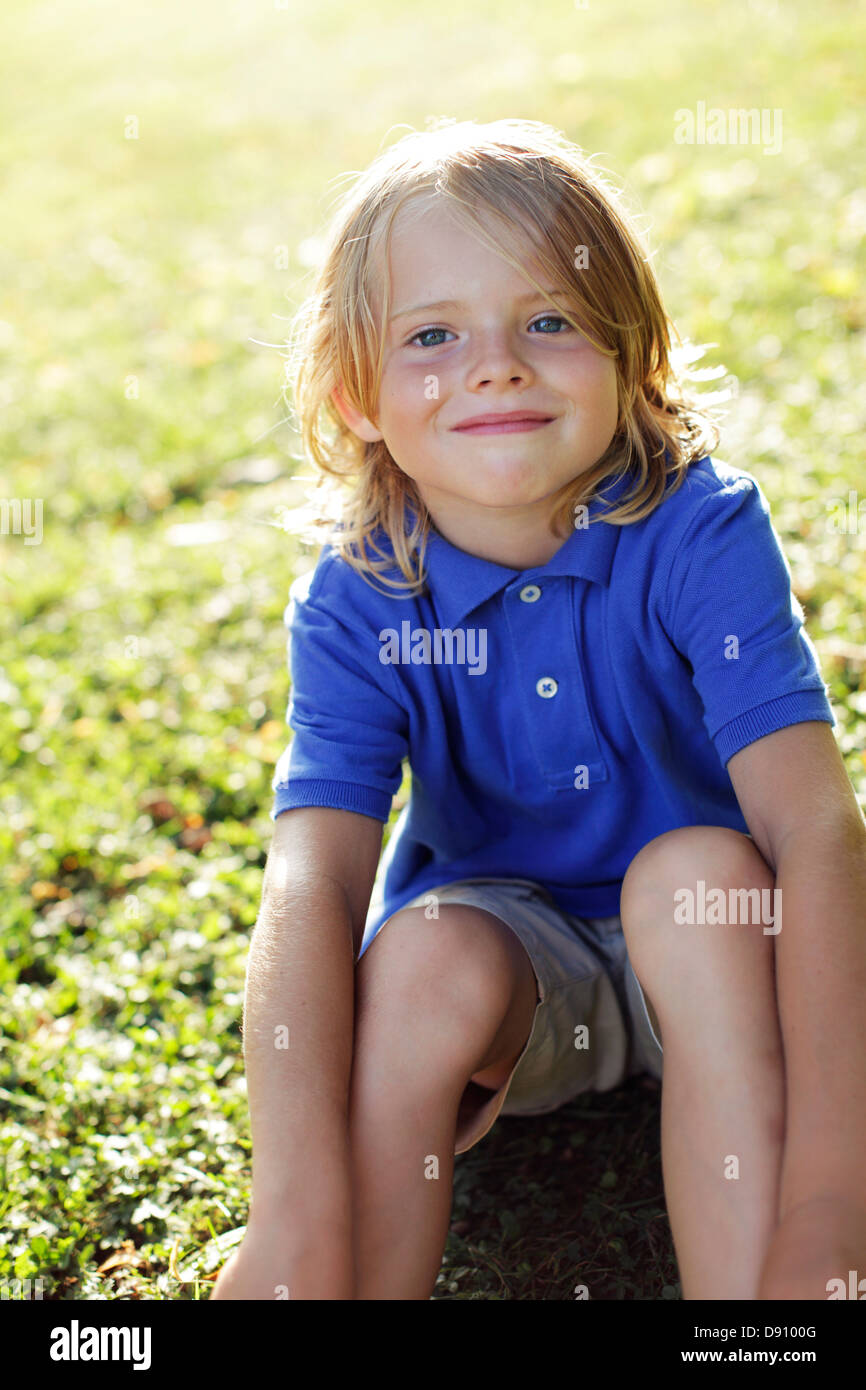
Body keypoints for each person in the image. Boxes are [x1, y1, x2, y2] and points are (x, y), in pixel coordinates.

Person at [212, 118, 866, 1301]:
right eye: (430, 336)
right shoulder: (361, 592)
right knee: (418, 958)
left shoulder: (698, 529)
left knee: (693, 881)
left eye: (549, 320)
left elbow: (812, 829)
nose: (495, 365)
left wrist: (832, 1192)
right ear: (357, 397)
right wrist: (291, 1211)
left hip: (725, 965)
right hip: (523, 1002)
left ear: (630, 351)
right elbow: (311, 878)